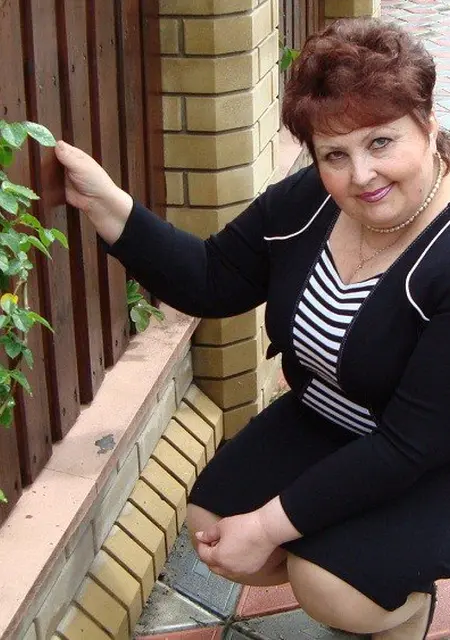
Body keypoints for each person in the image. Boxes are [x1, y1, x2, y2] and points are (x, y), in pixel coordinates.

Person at [55, 17, 450, 640]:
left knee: (329, 582)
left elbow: (408, 448)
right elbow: (213, 278)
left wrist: (271, 525)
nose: (361, 175)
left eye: (381, 142)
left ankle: (400, 609)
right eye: (335, 154)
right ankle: (358, 559)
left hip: (431, 459)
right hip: (333, 420)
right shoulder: (310, 203)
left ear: (427, 125)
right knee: (213, 522)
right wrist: (107, 204)